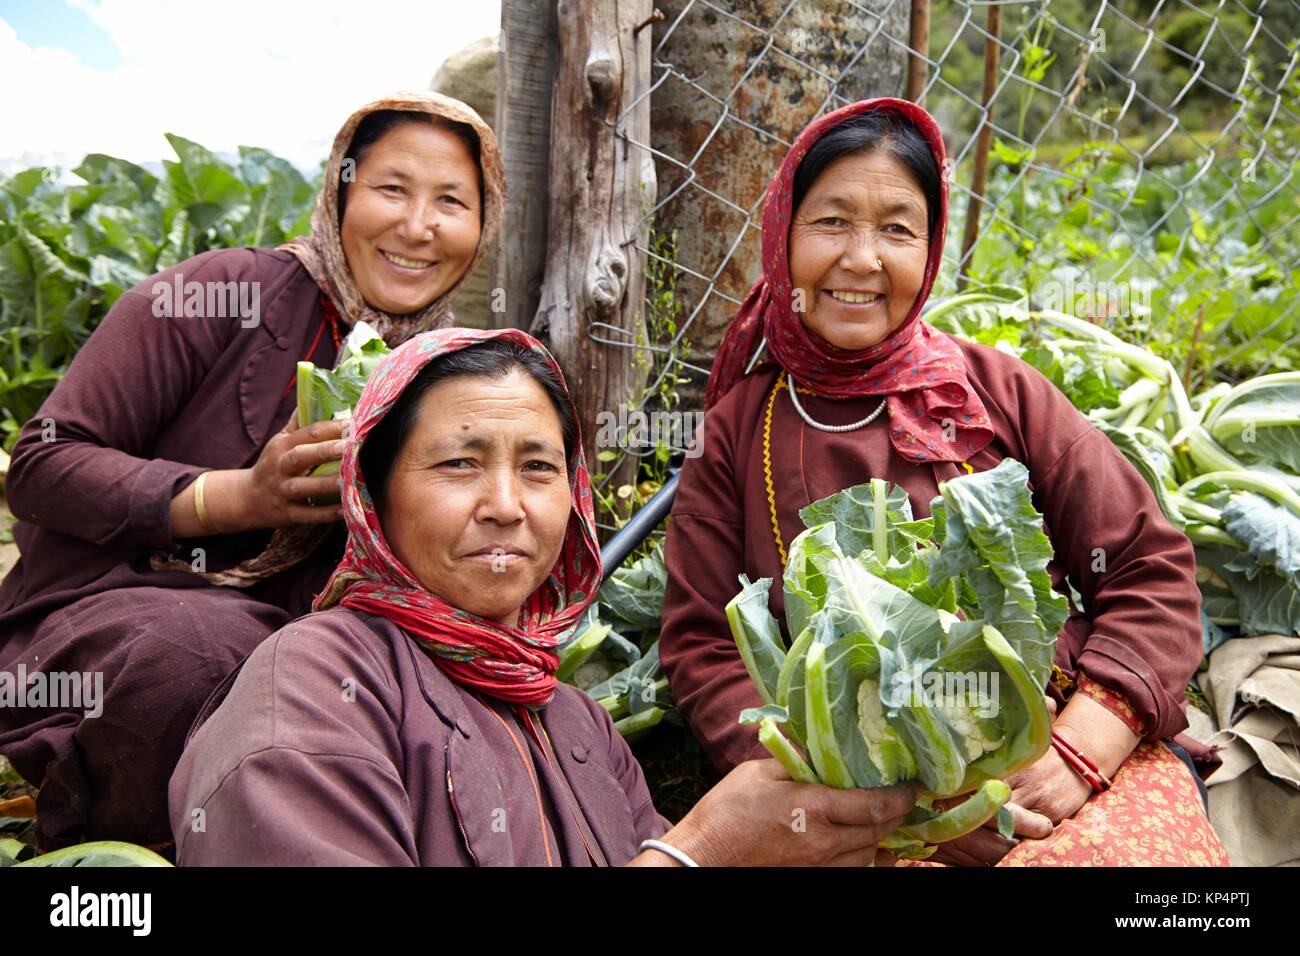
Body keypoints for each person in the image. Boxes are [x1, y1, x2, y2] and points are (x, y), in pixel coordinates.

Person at [658, 98, 1229, 866]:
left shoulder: (998, 389)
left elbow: (1148, 567)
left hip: (1066, 767)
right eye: (831, 222)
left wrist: (1082, 747)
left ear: (929, 251)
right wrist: (836, 781)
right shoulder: (735, 432)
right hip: (857, 809)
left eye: (897, 228)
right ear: (782, 237)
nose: (862, 259)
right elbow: (702, 643)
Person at [167, 328, 917, 866]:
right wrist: (699, 854)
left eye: (537, 468)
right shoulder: (309, 693)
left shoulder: (574, 719)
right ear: (372, 496)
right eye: (459, 463)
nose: (505, 504)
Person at [0, 91, 504, 853]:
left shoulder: (452, 372)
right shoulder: (220, 294)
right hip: (110, 613)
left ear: (482, 223)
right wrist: (236, 497)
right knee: (205, 661)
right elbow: (41, 462)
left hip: (330, 645)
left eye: (451, 202)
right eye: (392, 190)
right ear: (341, 192)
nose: (417, 226)